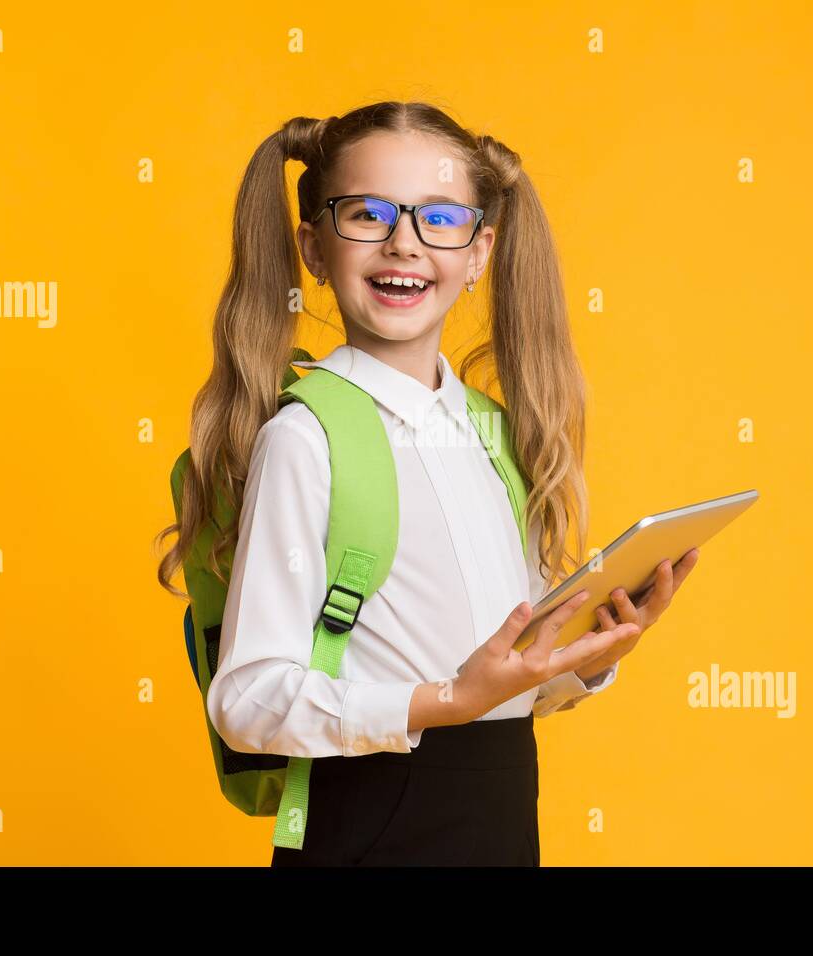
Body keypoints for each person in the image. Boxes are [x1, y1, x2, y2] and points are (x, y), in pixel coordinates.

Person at [157, 101, 699, 866]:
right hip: (369, 826)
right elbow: (247, 703)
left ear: (479, 252)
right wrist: (446, 701)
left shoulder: (496, 436)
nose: (403, 243)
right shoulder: (305, 440)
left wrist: (586, 656)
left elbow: (497, 691)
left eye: (439, 219)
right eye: (368, 214)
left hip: (501, 814)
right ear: (313, 247)